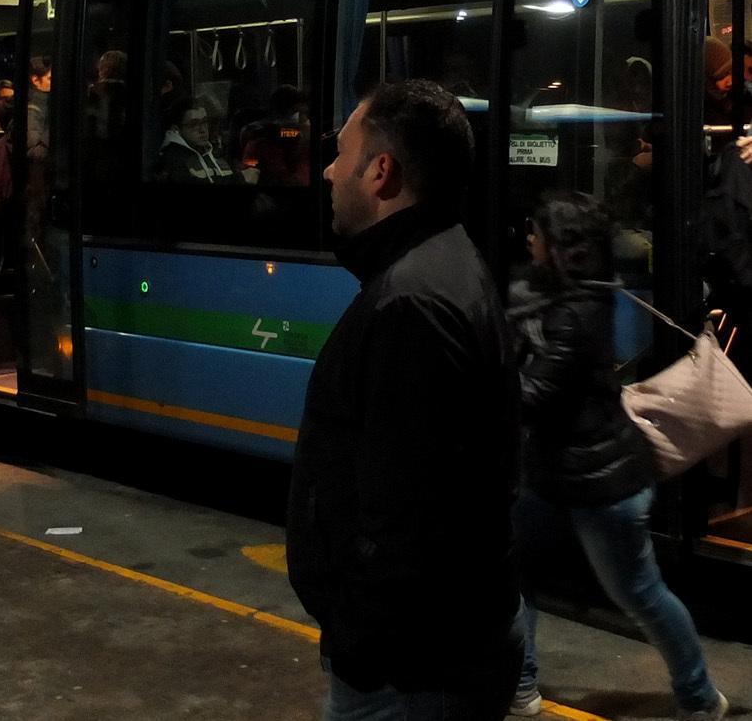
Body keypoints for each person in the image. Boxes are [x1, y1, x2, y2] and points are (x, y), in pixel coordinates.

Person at [286, 79, 522, 721]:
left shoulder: (410, 305)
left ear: (380, 171)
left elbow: (407, 520)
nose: (328, 171)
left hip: (410, 673)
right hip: (432, 655)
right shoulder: (442, 262)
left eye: (341, 153)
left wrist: (358, 644)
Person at [509, 192, 727, 721]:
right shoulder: (555, 293)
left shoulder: (575, 311)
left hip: (603, 482)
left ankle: (700, 696)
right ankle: (520, 683)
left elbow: (535, 394)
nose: (529, 238)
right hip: (554, 471)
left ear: (561, 245)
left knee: (639, 592)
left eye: (538, 231)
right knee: (512, 568)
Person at [157, 98, 240, 183]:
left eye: (204, 122)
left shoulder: (216, 153)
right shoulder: (173, 161)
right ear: (176, 129)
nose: (202, 129)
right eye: (194, 124)